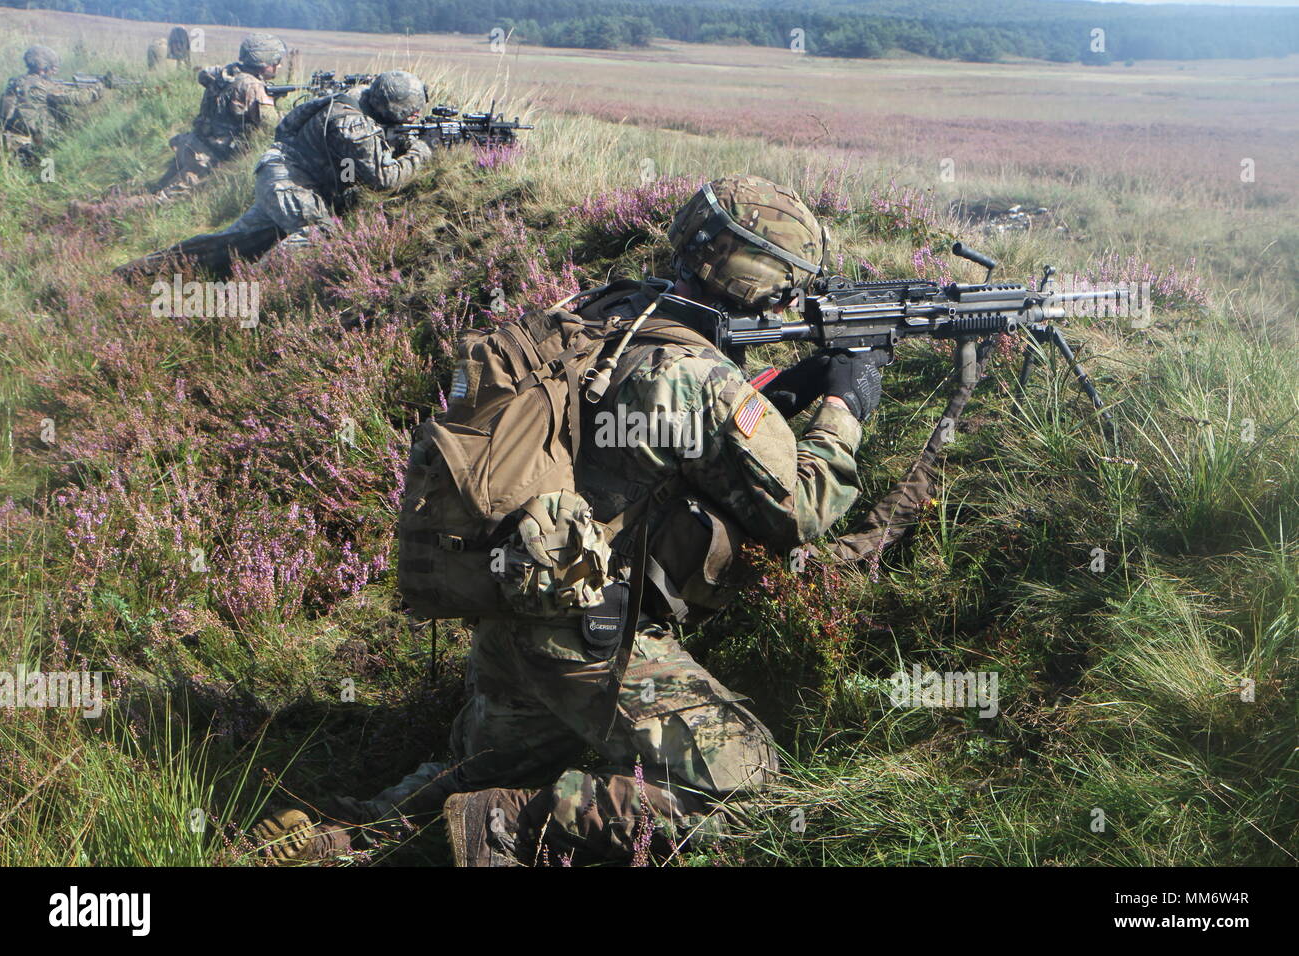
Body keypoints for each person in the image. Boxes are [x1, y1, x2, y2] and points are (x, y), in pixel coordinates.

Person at [253, 175, 884, 866]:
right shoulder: (695, 374)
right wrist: (845, 402)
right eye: (787, 284)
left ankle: (342, 840)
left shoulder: (602, 310)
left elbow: (654, 440)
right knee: (749, 792)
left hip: (514, 616)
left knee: (492, 764)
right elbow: (804, 505)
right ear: (751, 276)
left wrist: (780, 391)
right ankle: (491, 826)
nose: (791, 300)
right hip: (592, 641)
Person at [114, 70, 435, 277]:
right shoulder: (353, 124)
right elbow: (384, 179)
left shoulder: (362, 97)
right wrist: (421, 150)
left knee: (235, 243)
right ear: (391, 108)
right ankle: (255, 291)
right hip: (288, 185)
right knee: (323, 233)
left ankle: (137, 274)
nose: (414, 117)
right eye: (409, 113)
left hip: (279, 177)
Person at [150, 32, 284, 201]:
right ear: (263, 62)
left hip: (192, 143)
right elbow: (270, 126)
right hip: (206, 158)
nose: (278, 65)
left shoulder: (226, 73)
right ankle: (116, 211)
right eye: (276, 61)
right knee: (161, 201)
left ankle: (124, 203)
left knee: (156, 188)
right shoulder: (252, 86)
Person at [1, 45, 101, 166]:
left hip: (10, 142)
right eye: (52, 66)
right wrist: (97, 89)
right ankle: (47, 180)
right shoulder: (43, 85)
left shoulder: (14, 83)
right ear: (43, 67)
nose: (55, 70)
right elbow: (79, 99)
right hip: (37, 145)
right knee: (47, 178)